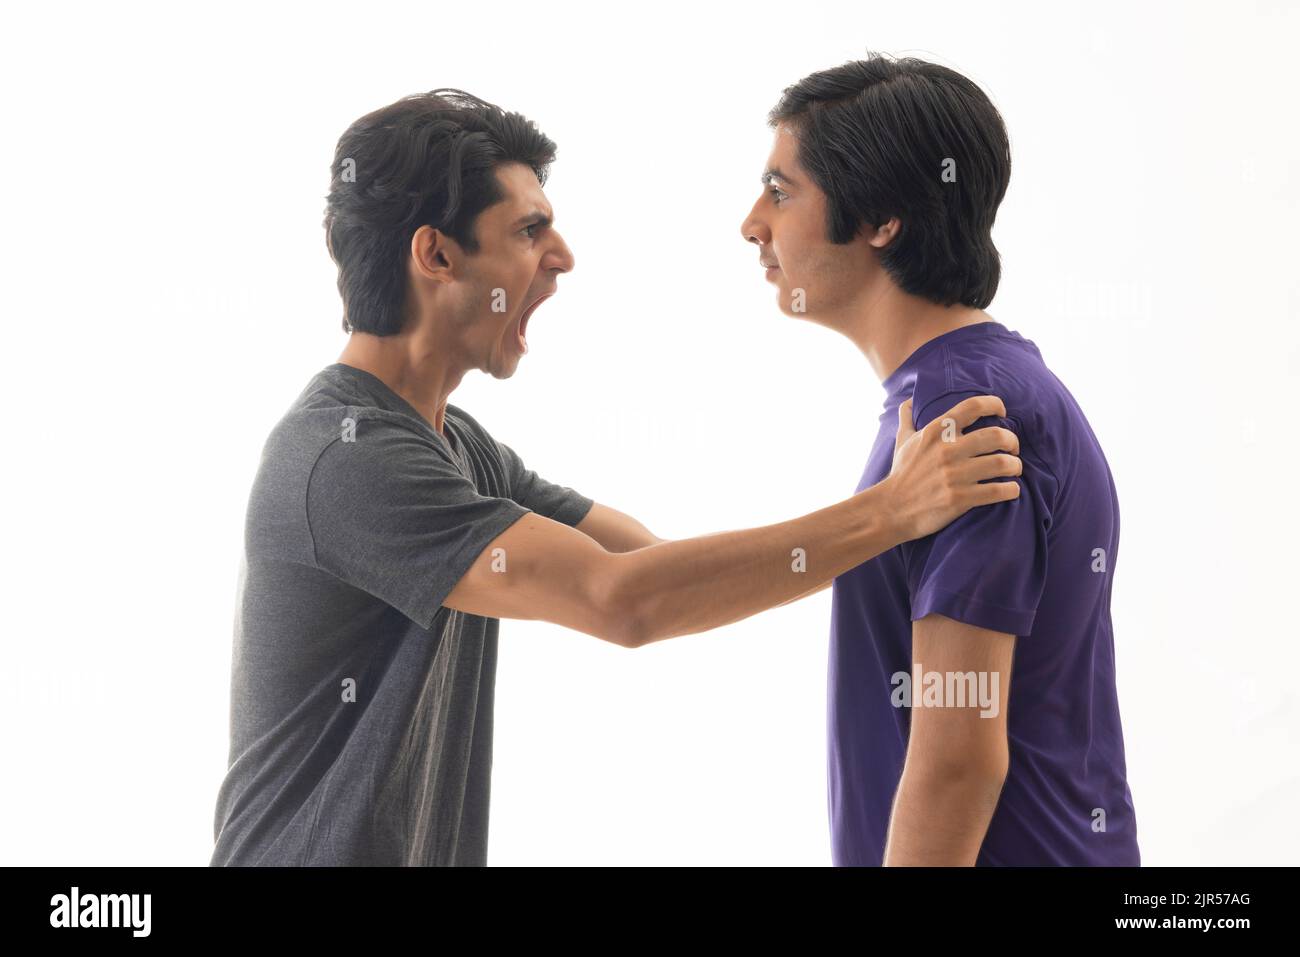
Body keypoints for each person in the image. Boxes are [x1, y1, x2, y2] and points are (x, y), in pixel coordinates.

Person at [210, 88, 1020, 866]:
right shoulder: (348, 459)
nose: (562, 258)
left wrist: (893, 531)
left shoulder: (457, 449)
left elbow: (649, 563)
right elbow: (622, 600)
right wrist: (890, 511)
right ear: (437, 254)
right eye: (530, 232)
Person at [740, 54, 1139, 865]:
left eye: (782, 191)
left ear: (882, 217)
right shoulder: (955, 392)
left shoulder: (967, 406)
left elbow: (960, 757)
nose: (753, 221)